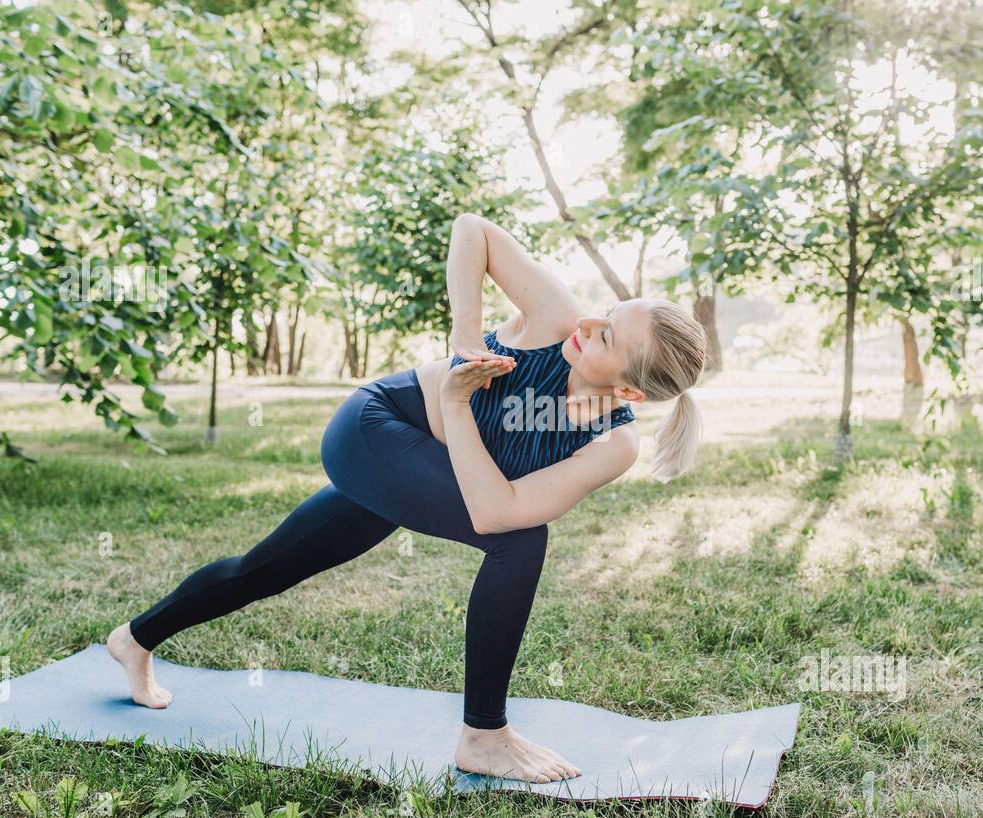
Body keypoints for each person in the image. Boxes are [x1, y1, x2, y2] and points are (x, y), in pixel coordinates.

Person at [107, 213, 707, 783]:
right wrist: (466, 332)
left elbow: (495, 509)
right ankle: (484, 736)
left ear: (629, 388)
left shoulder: (612, 441)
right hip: (376, 429)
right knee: (521, 545)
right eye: (605, 313)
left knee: (266, 569)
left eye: (606, 335)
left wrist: (455, 404)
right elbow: (473, 230)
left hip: (420, 460)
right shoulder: (557, 320)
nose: (586, 325)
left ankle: (134, 639)